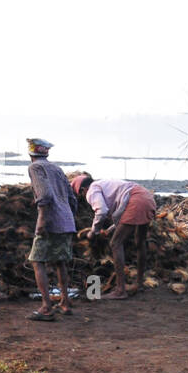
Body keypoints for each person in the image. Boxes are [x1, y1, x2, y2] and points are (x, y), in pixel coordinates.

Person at [69, 172, 156, 300]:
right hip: (146, 197)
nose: (84, 197)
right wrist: (109, 230)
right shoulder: (104, 184)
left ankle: (120, 290)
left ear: (83, 190)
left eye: (81, 194)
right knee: (140, 241)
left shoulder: (92, 190)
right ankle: (139, 284)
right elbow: (122, 214)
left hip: (135, 200)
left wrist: (93, 232)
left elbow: (102, 211)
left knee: (115, 244)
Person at [26, 137, 77, 321]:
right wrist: (70, 216)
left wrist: (41, 220)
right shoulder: (56, 168)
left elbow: (45, 194)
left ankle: (46, 307)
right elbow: (72, 197)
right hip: (66, 220)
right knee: (60, 262)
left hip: (51, 221)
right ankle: (65, 303)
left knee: (37, 260)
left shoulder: (35, 167)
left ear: (31, 153)